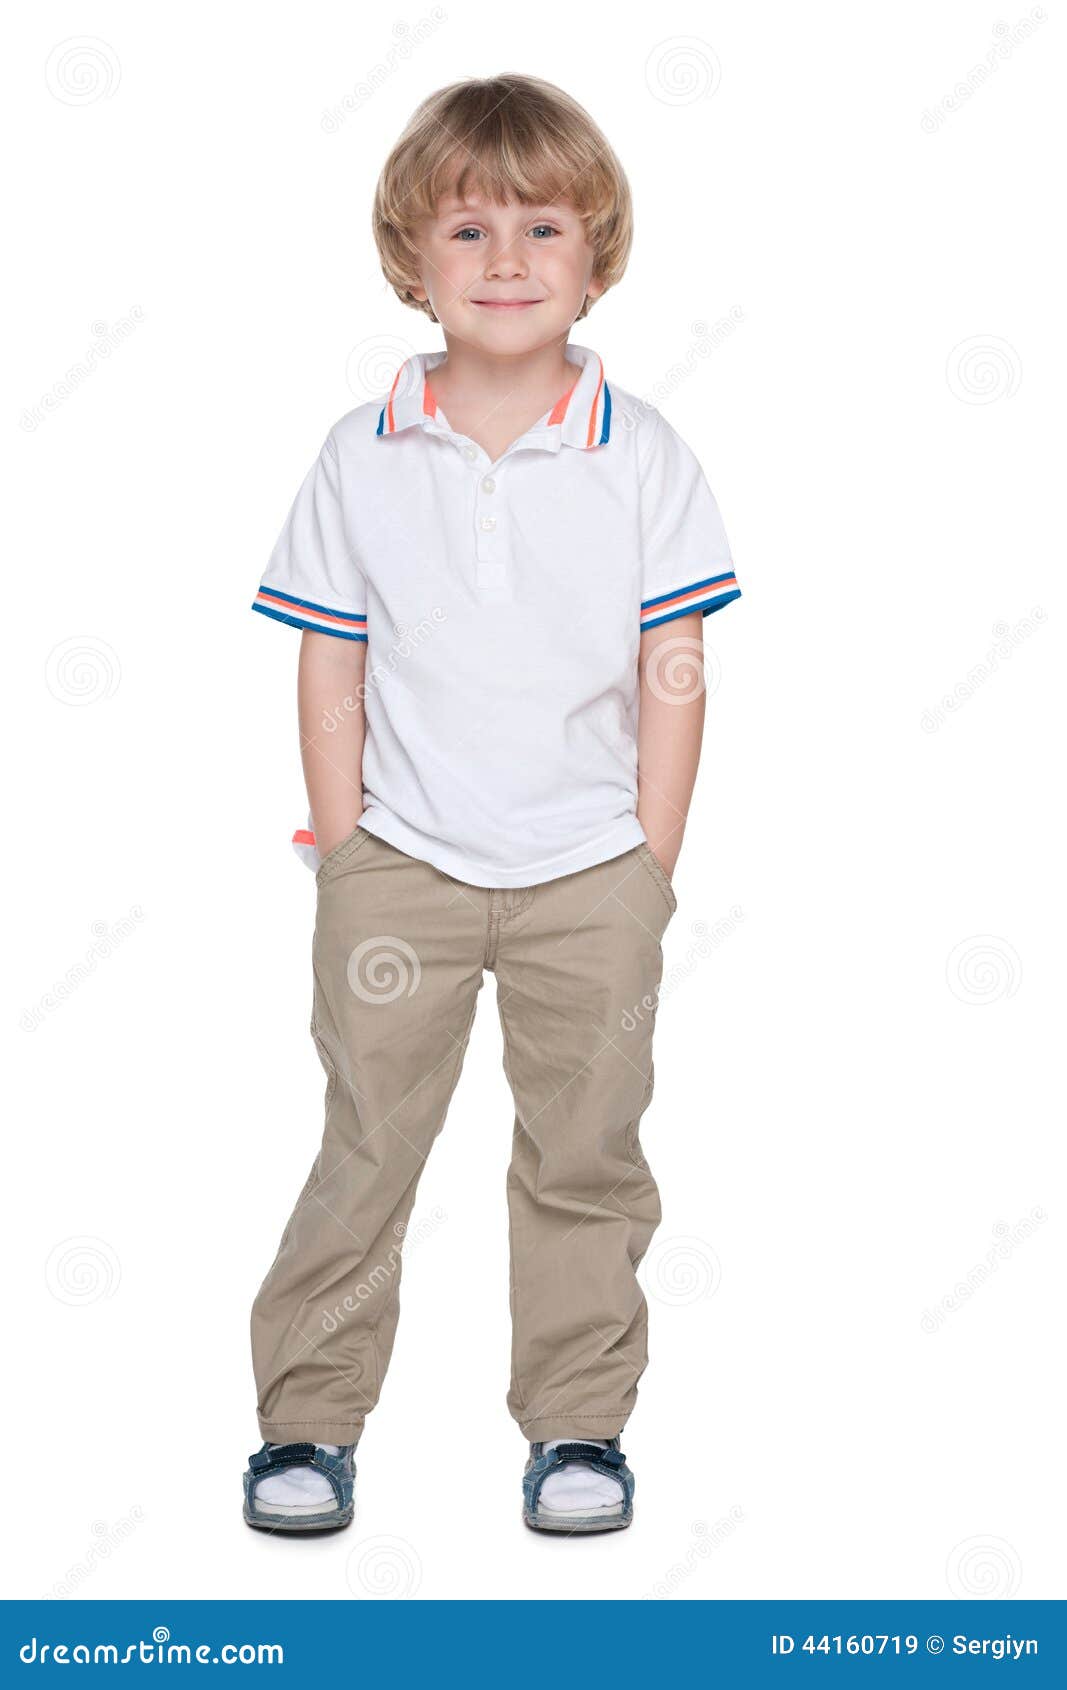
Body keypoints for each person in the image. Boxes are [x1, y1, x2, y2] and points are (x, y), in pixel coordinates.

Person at [242, 72, 741, 1536]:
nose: (508, 260)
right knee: (369, 1137)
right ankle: (308, 1424)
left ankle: (579, 1420)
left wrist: (650, 860)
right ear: (412, 259)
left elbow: (678, 661)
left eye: (543, 226)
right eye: (469, 230)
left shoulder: (641, 451)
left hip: (592, 868)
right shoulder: (362, 451)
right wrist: (343, 846)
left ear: (599, 253)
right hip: (399, 858)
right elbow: (329, 655)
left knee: (586, 1145)